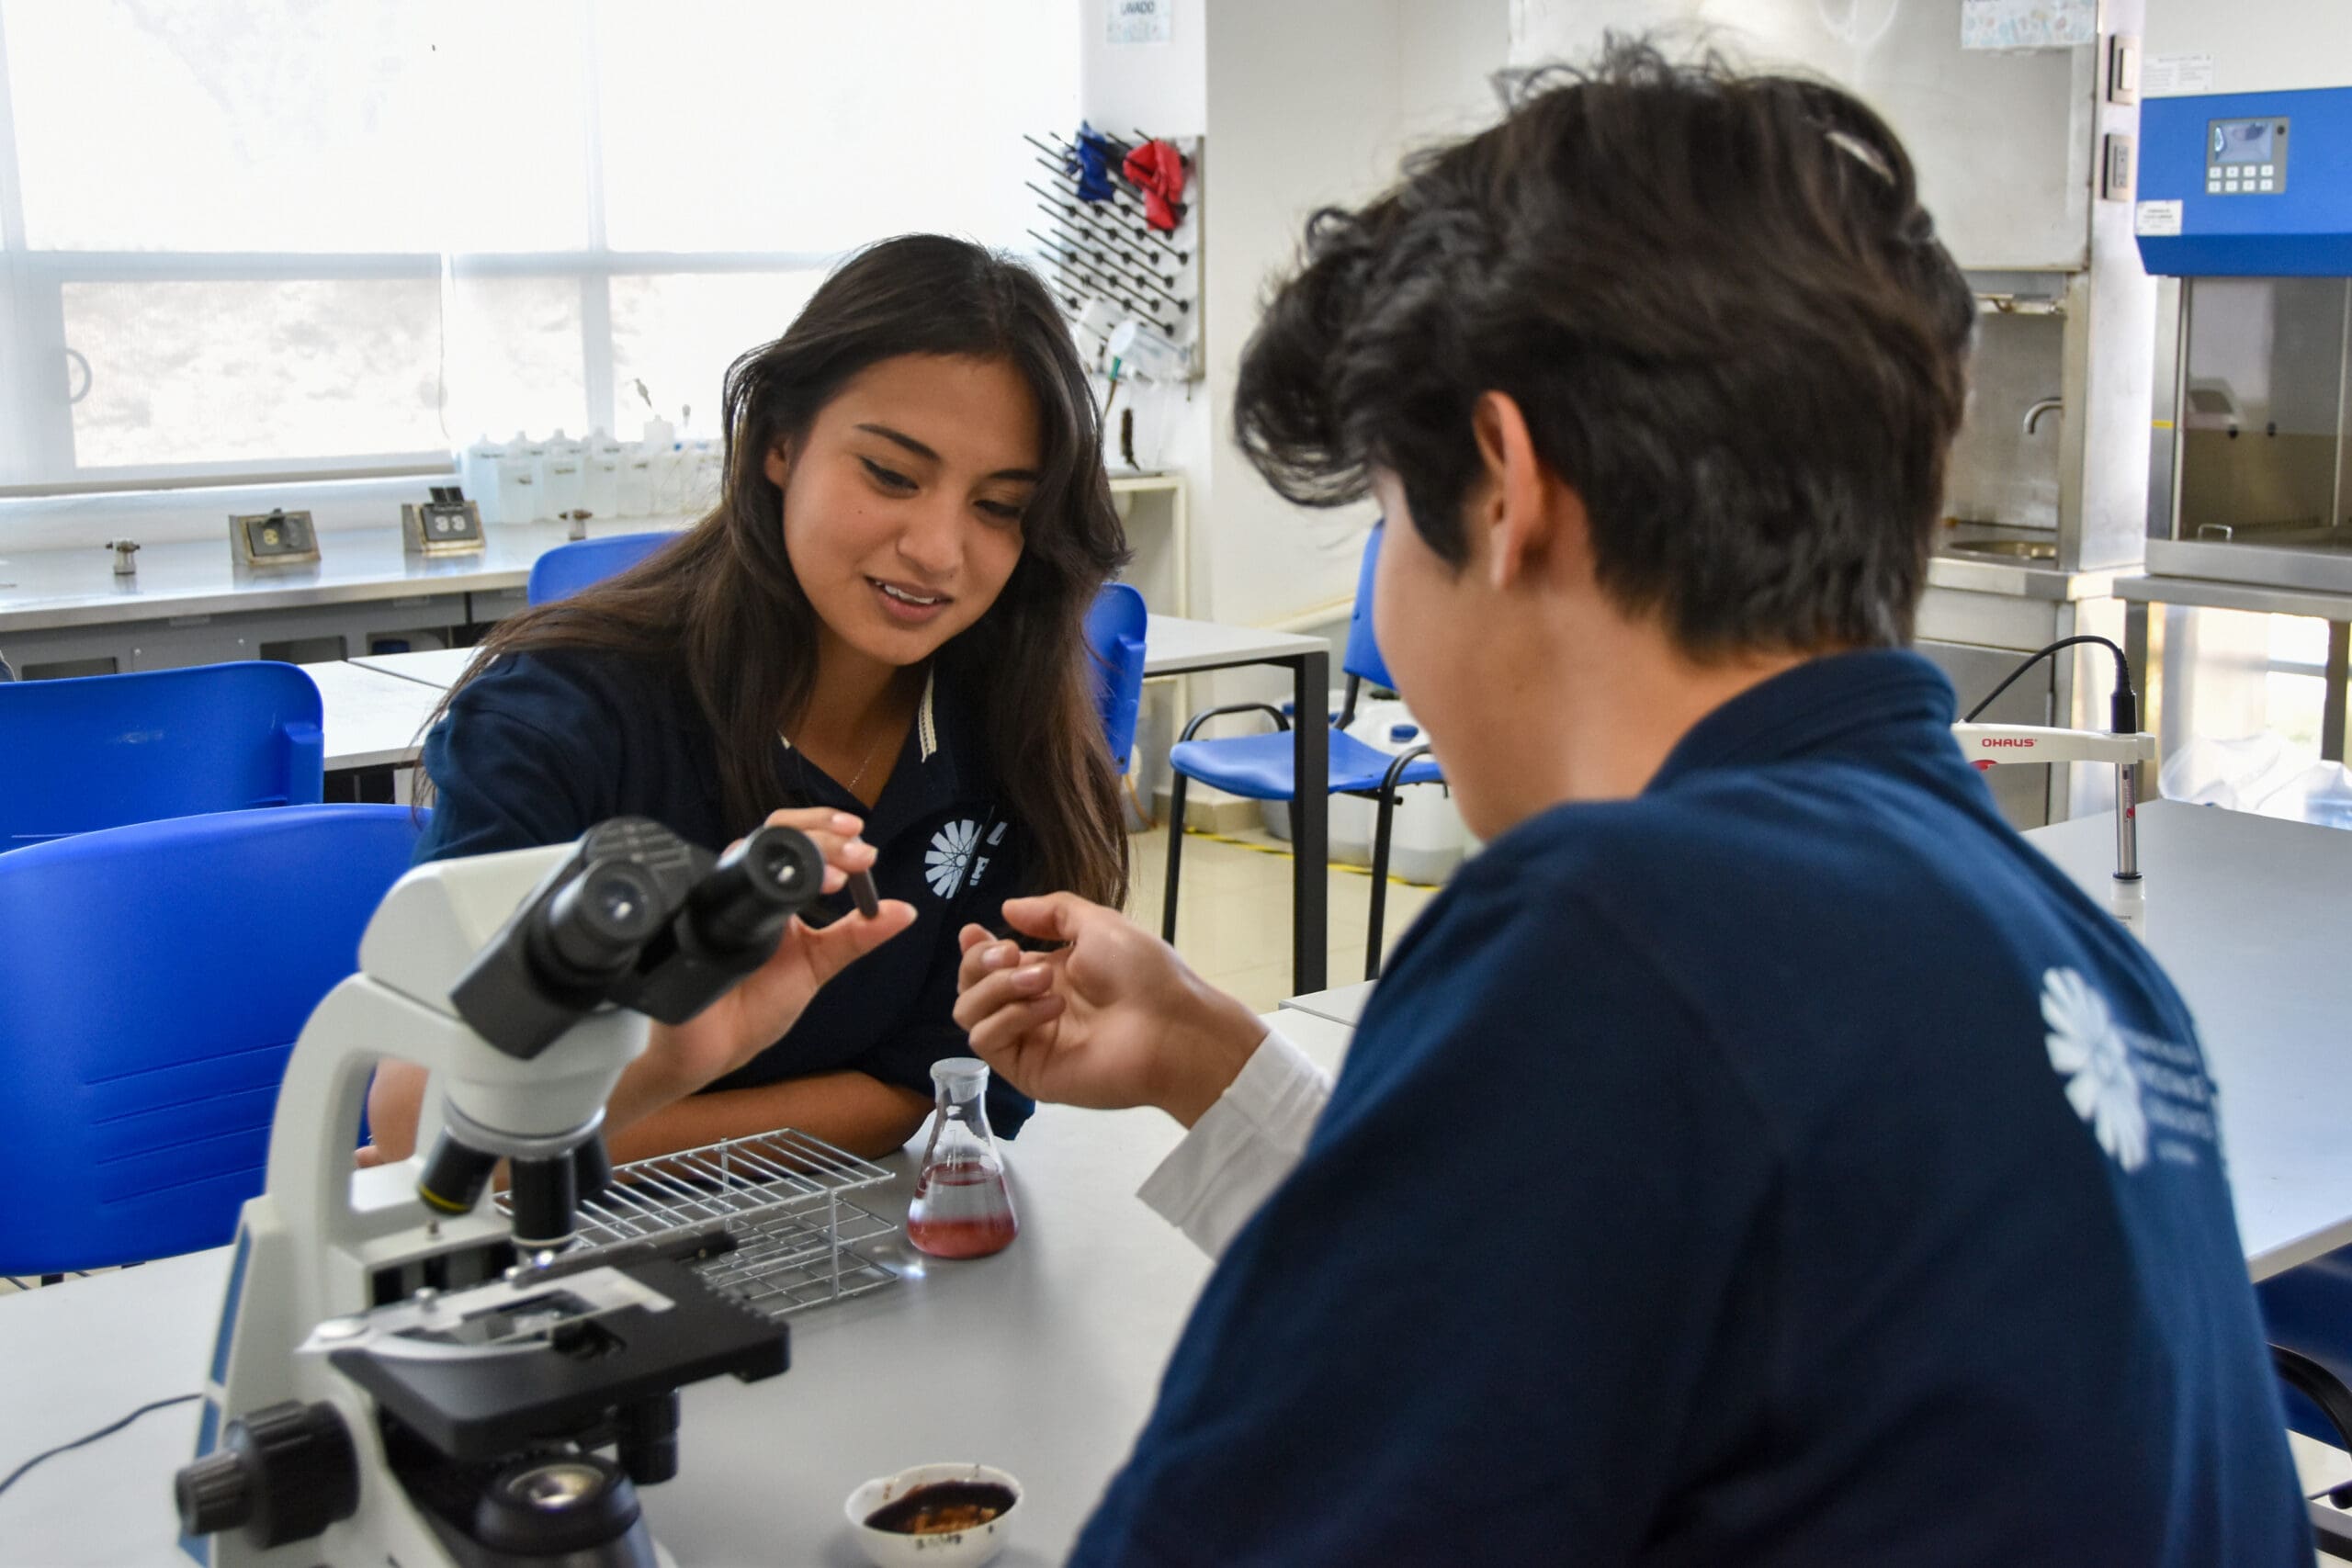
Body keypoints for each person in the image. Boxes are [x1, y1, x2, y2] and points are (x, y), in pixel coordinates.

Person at [950, 45, 2310, 1566]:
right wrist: (1217, 1056)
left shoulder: (1619, 924)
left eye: (1392, 520)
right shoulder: (2076, 957)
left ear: (1507, 488)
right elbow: (1630, 1310)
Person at [364, 234, 1130, 1168]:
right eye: (890, 474)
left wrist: (563, 1132)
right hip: (545, 1261)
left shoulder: (1012, 741)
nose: (937, 549)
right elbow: (422, 1122)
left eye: (999, 506)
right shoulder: (562, 718)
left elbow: (936, 1095)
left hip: (861, 1255)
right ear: (777, 442)